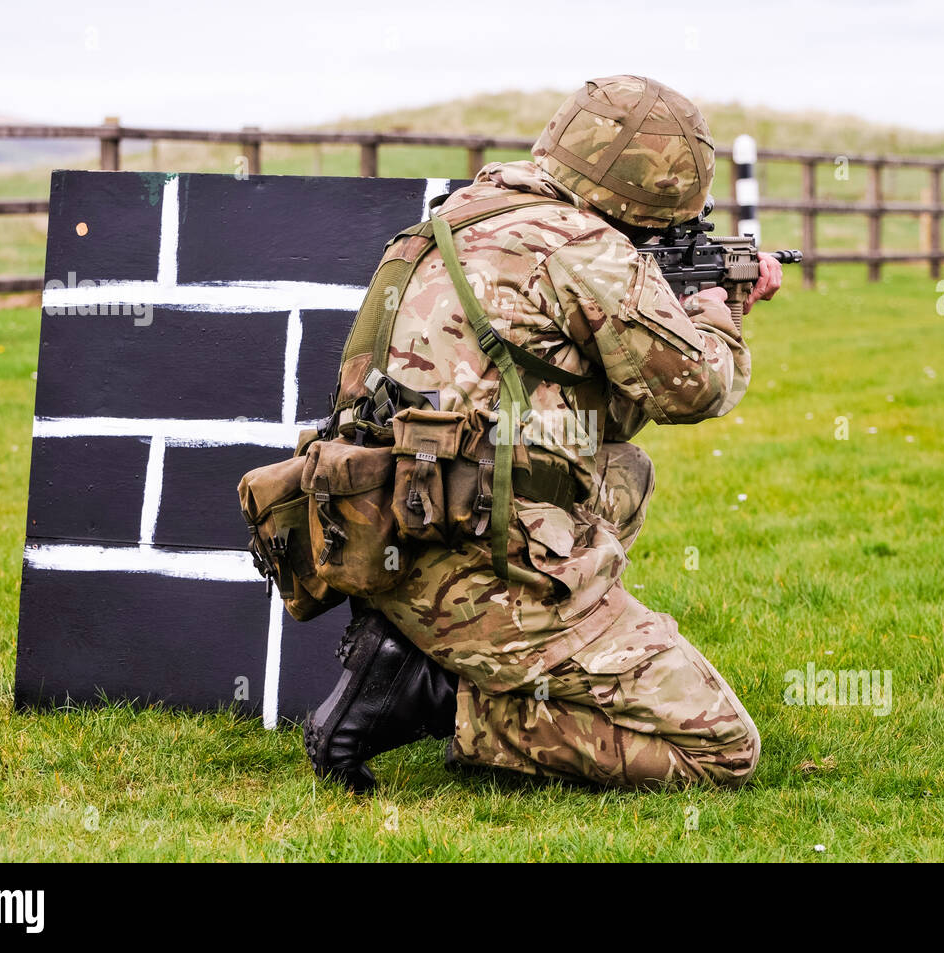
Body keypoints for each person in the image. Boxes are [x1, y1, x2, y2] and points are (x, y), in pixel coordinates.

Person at [305, 75, 783, 792]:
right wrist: (720, 308)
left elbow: (564, 402)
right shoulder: (584, 249)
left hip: (383, 540)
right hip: (478, 566)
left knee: (624, 470)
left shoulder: (455, 216)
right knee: (722, 750)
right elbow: (699, 387)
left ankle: (430, 650)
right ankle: (450, 698)